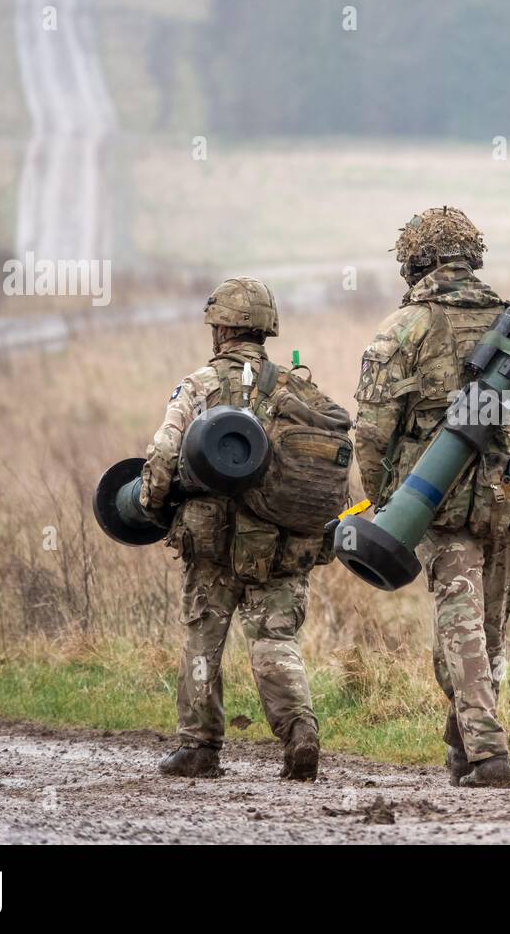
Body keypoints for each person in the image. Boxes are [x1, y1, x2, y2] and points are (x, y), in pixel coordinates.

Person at [352, 207, 510, 788]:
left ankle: (485, 752)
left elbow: (371, 431)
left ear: (413, 261)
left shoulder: (402, 328)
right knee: (489, 628)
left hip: (436, 501)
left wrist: (386, 501)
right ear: (472, 256)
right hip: (509, 495)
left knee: (459, 627)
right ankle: (466, 746)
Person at [140, 277, 350, 780]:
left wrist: (151, 504)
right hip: (284, 542)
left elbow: (164, 456)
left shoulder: (200, 386)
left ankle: (198, 747)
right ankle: (300, 730)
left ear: (222, 329)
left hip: (215, 543)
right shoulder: (300, 388)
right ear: (265, 329)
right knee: (275, 639)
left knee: (203, 639)